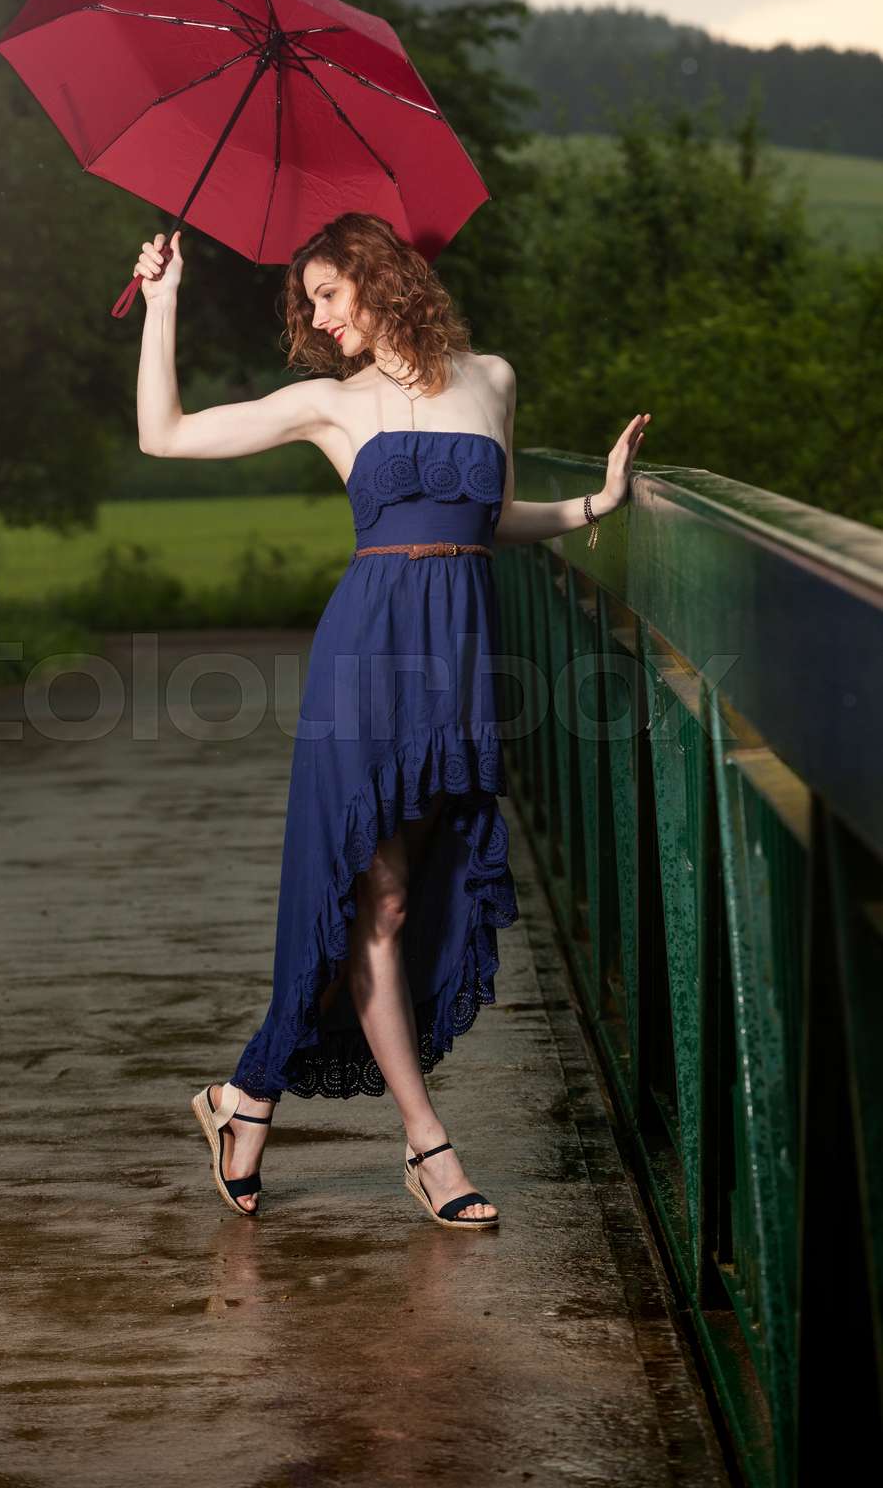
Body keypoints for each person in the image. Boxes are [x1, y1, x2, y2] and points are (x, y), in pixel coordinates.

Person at [132, 211, 650, 1228]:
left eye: (329, 293)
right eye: (310, 303)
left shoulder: (491, 379)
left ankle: (245, 1100)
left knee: (410, 895)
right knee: (379, 896)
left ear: (379, 277)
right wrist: (162, 303)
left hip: (455, 666)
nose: (319, 318)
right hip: (363, 663)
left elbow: (492, 519)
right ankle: (430, 1147)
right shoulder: (331, 404)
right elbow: (166, 434)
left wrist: (595, 503)